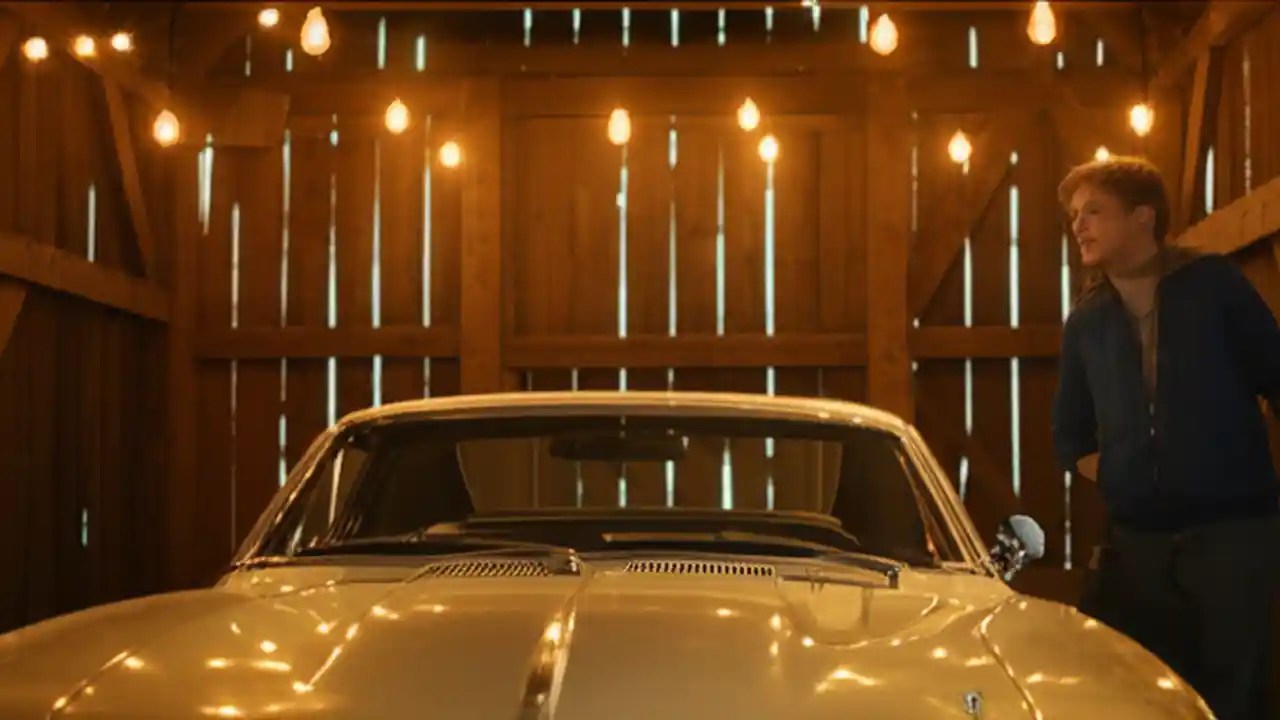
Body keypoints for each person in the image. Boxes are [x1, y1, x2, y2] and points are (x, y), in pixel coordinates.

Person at [1052, 155, 1280, 719]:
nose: (1078, 225)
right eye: (1075, 215)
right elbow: (1070, 436)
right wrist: (1123, 476)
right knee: (1141, 698)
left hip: (1234, 536)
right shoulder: (1087, 321)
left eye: (1094, 211)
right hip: (1139, 546)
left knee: (1235, 697)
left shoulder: (1213, 285)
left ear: (1143, 217)